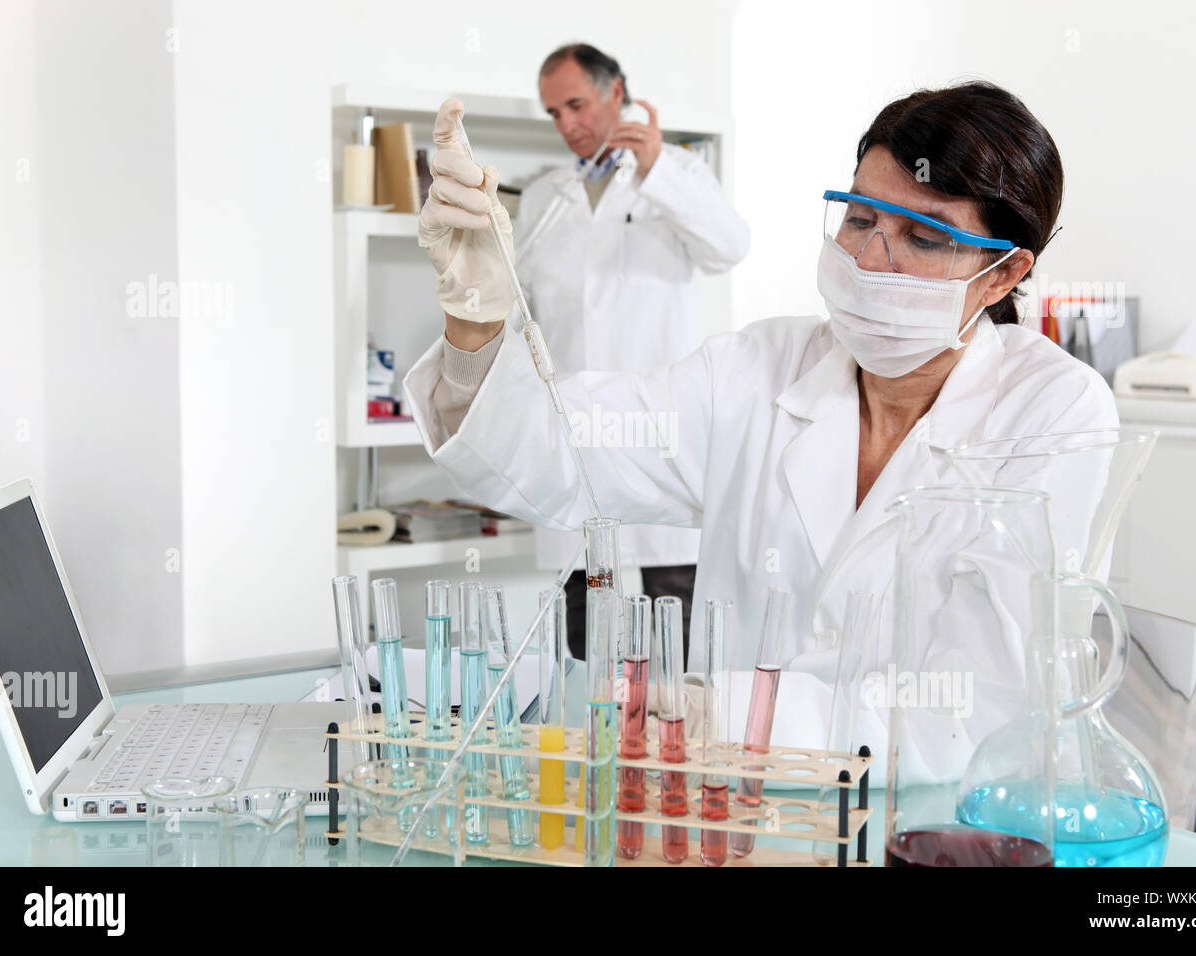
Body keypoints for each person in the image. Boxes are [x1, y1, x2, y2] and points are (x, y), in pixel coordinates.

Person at [411, 82, 1117, 762]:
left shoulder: (1053, 412)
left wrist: (738, 717)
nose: (871, 258)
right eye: (860, 217)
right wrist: (476, 321)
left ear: (1002, 274)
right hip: (735, 816)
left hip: (928, 828)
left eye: (924, 238)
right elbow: (562, 449)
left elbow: (983, 704)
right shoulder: (759, 369)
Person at [508, 43, 750, 662]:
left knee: (676, 599)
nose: (567, 125)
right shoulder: (544, 198)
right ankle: (597, 743)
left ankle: (685, 742)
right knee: (585, 605)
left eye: (576, 105)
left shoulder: (676, 175)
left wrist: (655, 171)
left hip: (657, 427)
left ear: (616, 92)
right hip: (573, 432)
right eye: (554, 113)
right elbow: (522, 307)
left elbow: (729, 246)